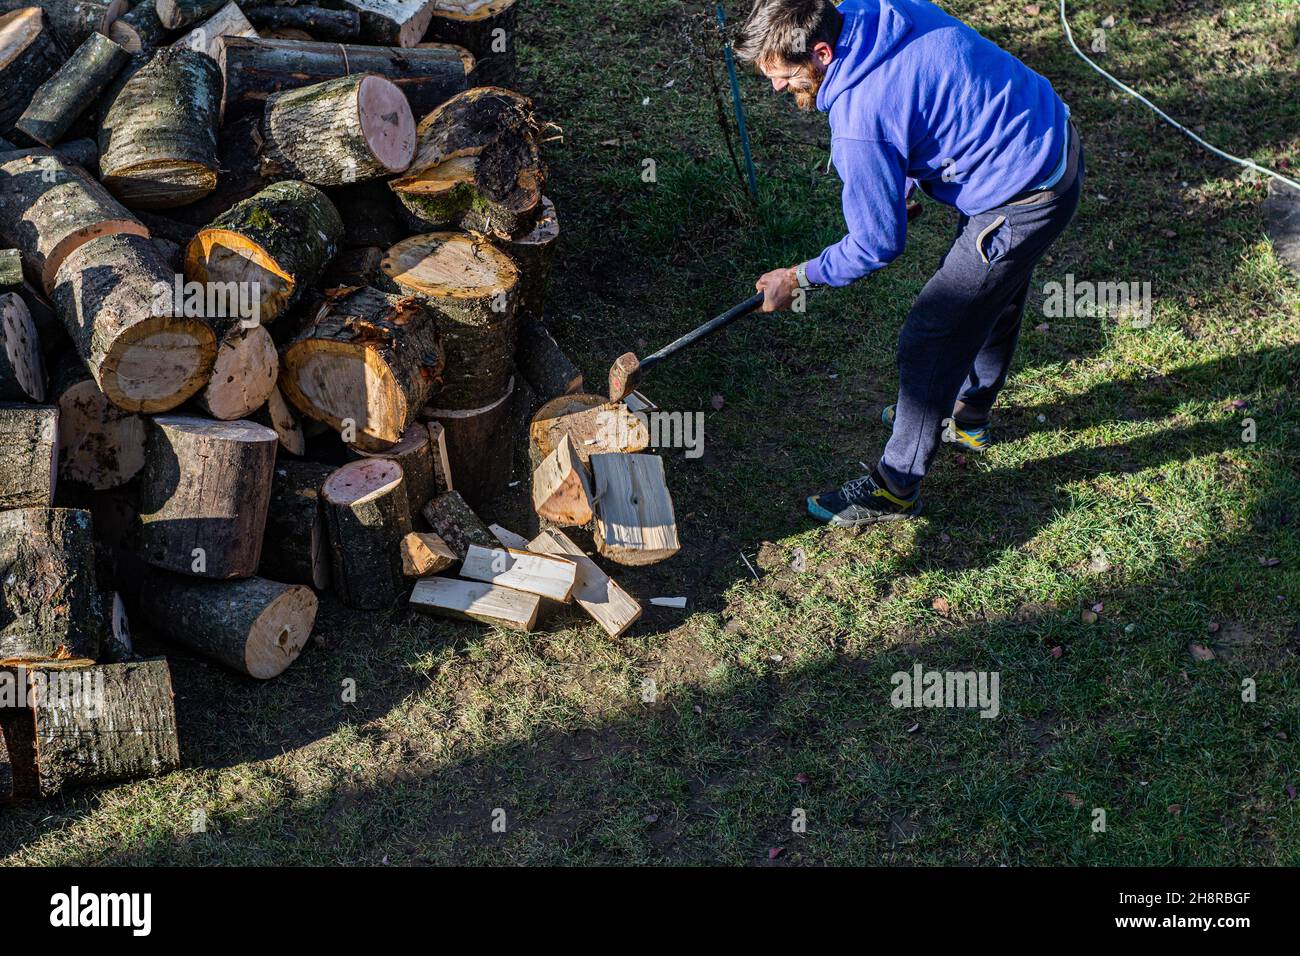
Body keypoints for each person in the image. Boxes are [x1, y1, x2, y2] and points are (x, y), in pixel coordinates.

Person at [736, 0, 1084, 526]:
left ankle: (896, 486)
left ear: (823, 52)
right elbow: (925, 94)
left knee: (931, 335)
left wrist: (799, 277)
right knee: (996, 294)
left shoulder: (860, 120)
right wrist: (900, 184)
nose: (778, 89)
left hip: (1024, 194)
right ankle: (966, 418)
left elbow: (877, 243)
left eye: (785, 76)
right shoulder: (872, 11)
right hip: (1050, 134)